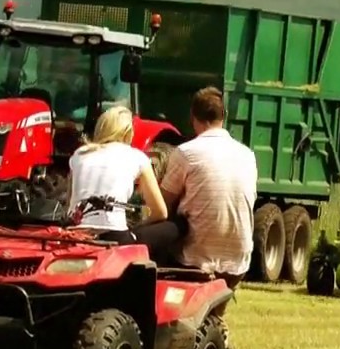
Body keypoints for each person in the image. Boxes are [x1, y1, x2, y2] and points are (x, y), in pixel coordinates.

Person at [158, 86, 258, 289]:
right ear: (224, 116)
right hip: (238, 260)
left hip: (195, 258)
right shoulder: (247, 154)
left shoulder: (186, 153)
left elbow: (162, 203)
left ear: (193, 117)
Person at [66, 105, 184, 251]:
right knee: (176, 226)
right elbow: (160, 212)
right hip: (114, 237)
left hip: (76, 234)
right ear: (128, 132)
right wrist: (135, 226)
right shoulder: (137, 157)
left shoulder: (79, 154)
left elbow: (70, 202)